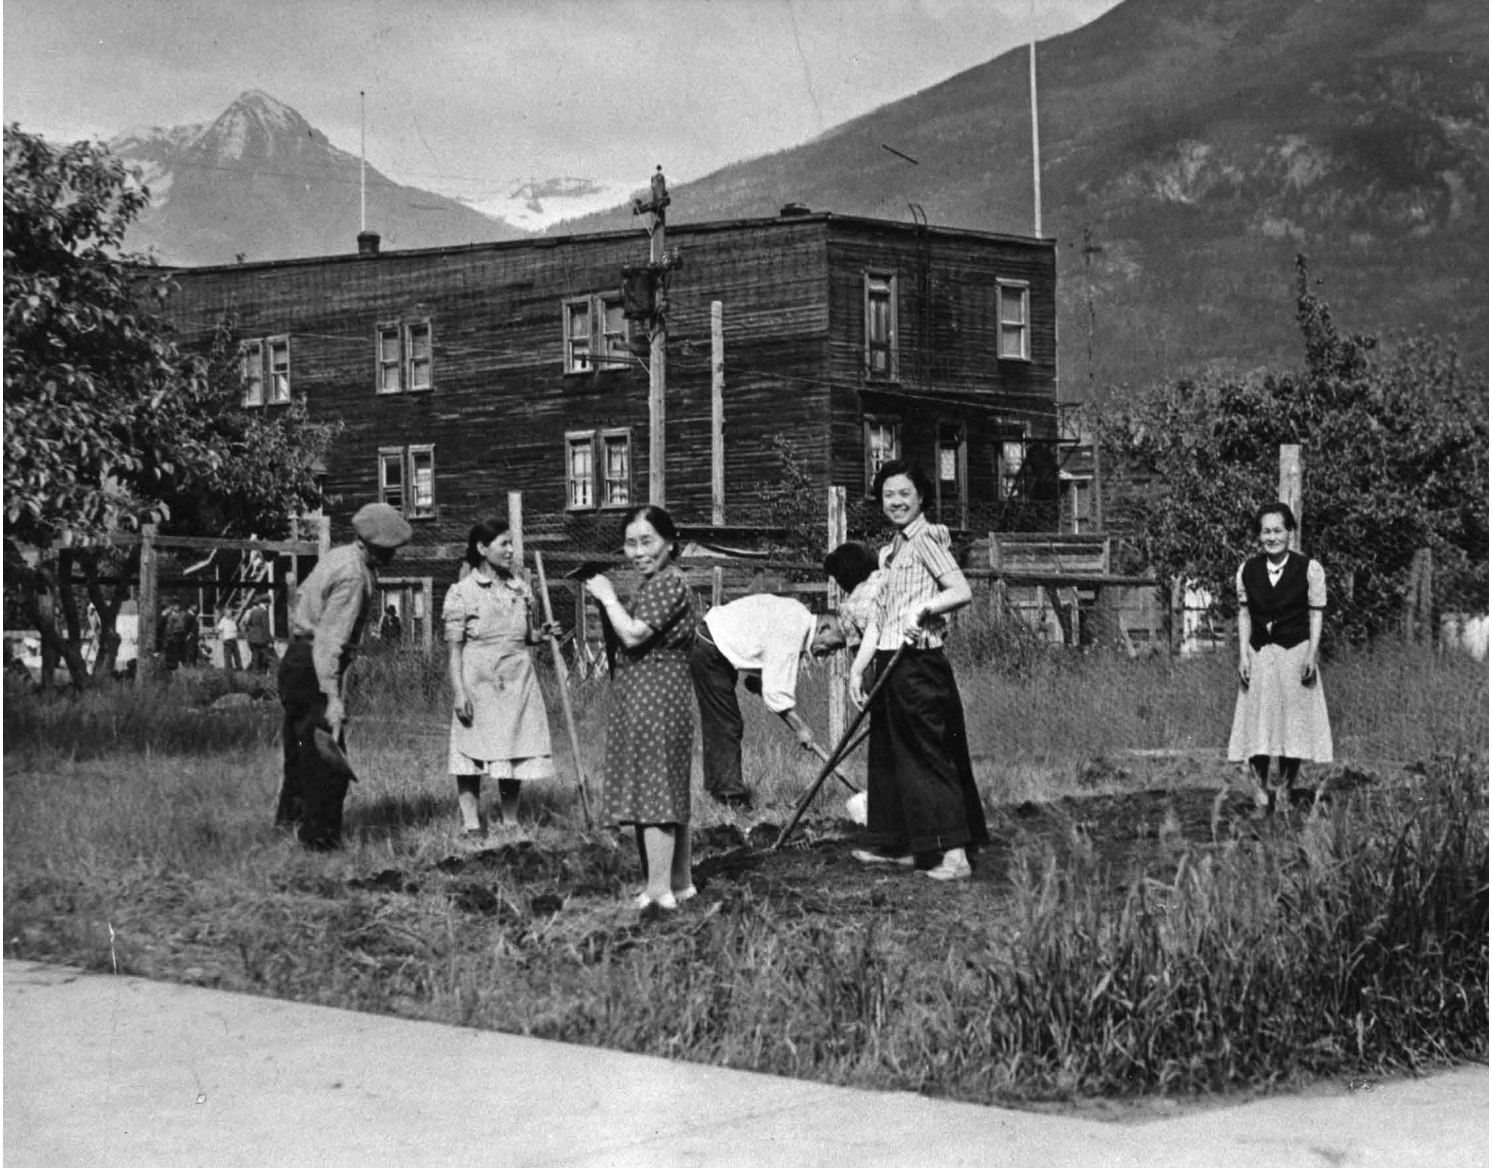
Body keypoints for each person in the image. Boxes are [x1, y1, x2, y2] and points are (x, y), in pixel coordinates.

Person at [847, 459, 989, 882]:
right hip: (887, 663)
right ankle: (901, 846)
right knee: (889, 760)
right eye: (888, 495)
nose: (896, 502)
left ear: (921, 496)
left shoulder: (928, 538)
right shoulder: (890, 552)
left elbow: (960, 590)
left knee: (929, 758)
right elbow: (877, 619)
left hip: (919, 664)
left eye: (904, 494)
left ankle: (955, 855)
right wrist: (857, 669)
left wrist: (923, 609)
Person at [276, 502, 412, 850]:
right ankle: (320, 843)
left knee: (301, 750)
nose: (393, 554)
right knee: (327, 763)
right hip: (315, 665)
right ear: (370, 543)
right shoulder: (353, 576)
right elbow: (329, 642)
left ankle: (289, 828)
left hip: (297, 659)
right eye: (388, 548)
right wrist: (332, 697)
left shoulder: (340, 556)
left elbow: (304, 600)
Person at [584, 505, 699, 911]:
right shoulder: (659, 585)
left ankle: (657, 890)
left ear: (669, 542)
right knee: (663, 792)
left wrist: (608, 597)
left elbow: (633, 636)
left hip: (656, 697)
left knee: (653, 795)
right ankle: (680, 882)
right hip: (653, 694)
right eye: (630, 543)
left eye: (647, 541)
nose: (638, 551)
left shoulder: (668, 584)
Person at [444, 519, 558, 837]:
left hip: (517, 681)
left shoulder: (520, 588)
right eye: (503, 544)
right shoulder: (461, 593)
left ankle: (510, 822)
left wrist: (540, 634)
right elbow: (454, 649)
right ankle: (471, 825)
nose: (510, 550)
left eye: (511, 544)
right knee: (470, 754)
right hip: (478, 684)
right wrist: (459, 692)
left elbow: (521, 636)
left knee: (513, 749)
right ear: (482, 549)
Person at [690, 593, 855, 809]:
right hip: (710, 646)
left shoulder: (797, 617)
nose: (830, 653)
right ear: (824, 627)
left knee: (721, 724)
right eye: (834, 645)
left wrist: (758, 682)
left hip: (713, 644)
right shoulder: (794, 628)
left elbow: (764, 662)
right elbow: (776, 693)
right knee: (726, 724)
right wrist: (801, 729)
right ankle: (731, 799)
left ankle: (718, 793)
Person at [1228, 502, 1333, 813]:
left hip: (1295, 653)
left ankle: (1286, 789)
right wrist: (1243, 655)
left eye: (1277, 530)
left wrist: (1311, 654)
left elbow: (1315, 615)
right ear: (1259, 535)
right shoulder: (1247, 570)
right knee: (1258, 727)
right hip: (1260, 654)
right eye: (1265, 531)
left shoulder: (1309, 569)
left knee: (1292, 726)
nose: (1271, 537)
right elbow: (1244, 614)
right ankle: (1261, 792)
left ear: (1290, 533)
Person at [242, 598, 275, 672]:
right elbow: (266, 628)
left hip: (252, 639)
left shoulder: (252, 612)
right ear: (265, 603)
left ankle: (254, 676)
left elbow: (247, 624)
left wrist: (249, 634)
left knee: (255, 659)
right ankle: (274, 676)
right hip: (262, 639)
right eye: (268, 604)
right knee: (271, 658)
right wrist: (270, 641)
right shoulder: (264, 612)